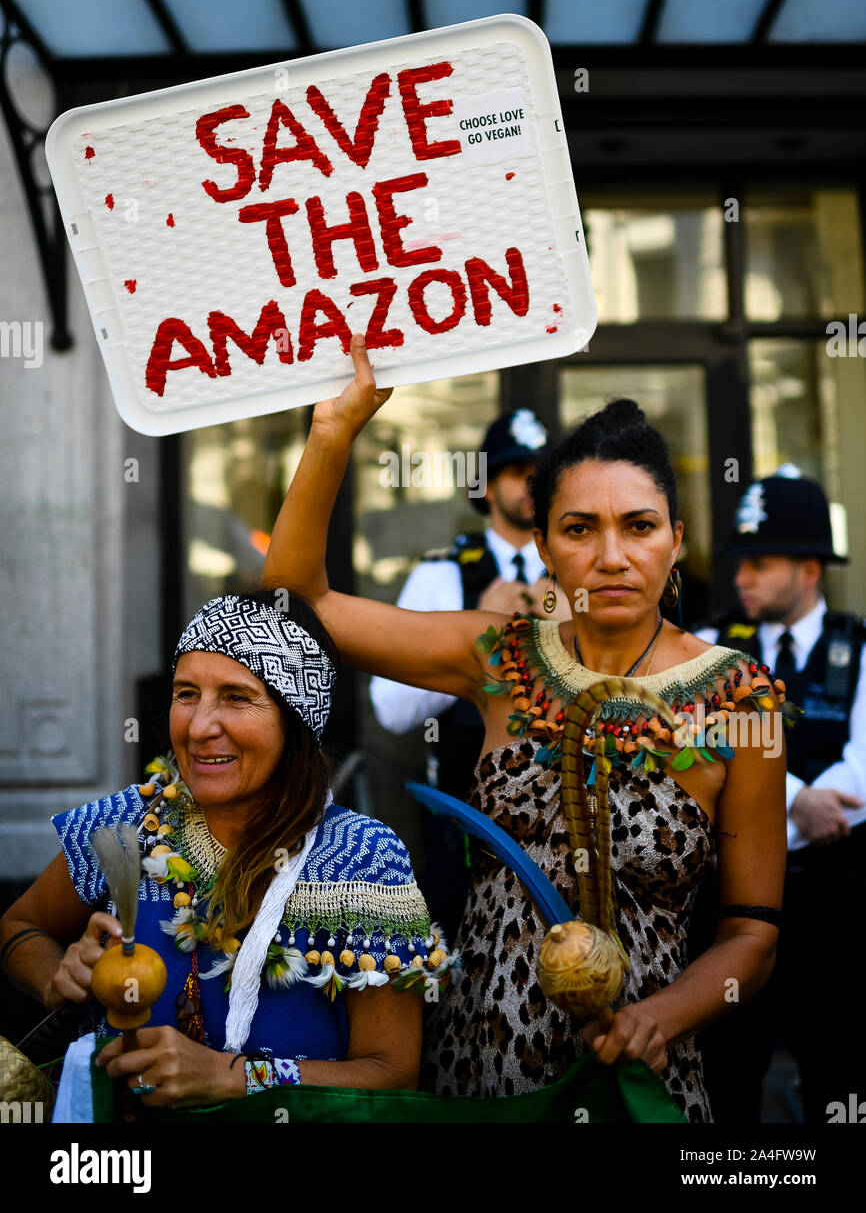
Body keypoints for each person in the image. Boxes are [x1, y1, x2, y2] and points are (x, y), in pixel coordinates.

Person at [261, 335, 787, 1123]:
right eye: (579, 529)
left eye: (639, 527)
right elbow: (298, 602)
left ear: (676, 542)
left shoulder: (740, 699)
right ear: (542, 546)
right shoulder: (498, 658)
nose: (611, 556)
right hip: (479, 1068)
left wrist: (659, 1019)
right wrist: (333, 434)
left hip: (638, 1078)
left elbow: (754, 930)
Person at [0, 589, 452, 1112]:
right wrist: (58, 976)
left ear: (296, 719)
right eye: (186, 693)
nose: (197, 727)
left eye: (237, 697)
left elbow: (391, 1074)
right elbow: (18, 927)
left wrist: (230, 1075)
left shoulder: (359, 858)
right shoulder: (131, 823)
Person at [693, 468, 866, 1123]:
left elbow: (864, 767)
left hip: (835, 896)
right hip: (733, 899)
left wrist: (783, 801)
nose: (742, 577)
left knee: (842, 1066)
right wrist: (795, 799)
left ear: (811, 568)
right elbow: (708, 750)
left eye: (762, 562)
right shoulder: (712, 649)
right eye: (741, 560)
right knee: (728, 1071)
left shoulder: (860, 643)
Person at [370, 408, 559, 935]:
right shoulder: (441, 575)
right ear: (488, 486)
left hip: (569, 826)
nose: (530, 485)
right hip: (467, 829)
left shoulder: (583, 573)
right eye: (514, 471)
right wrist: (477, 639)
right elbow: (391, 709)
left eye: (541, 472)